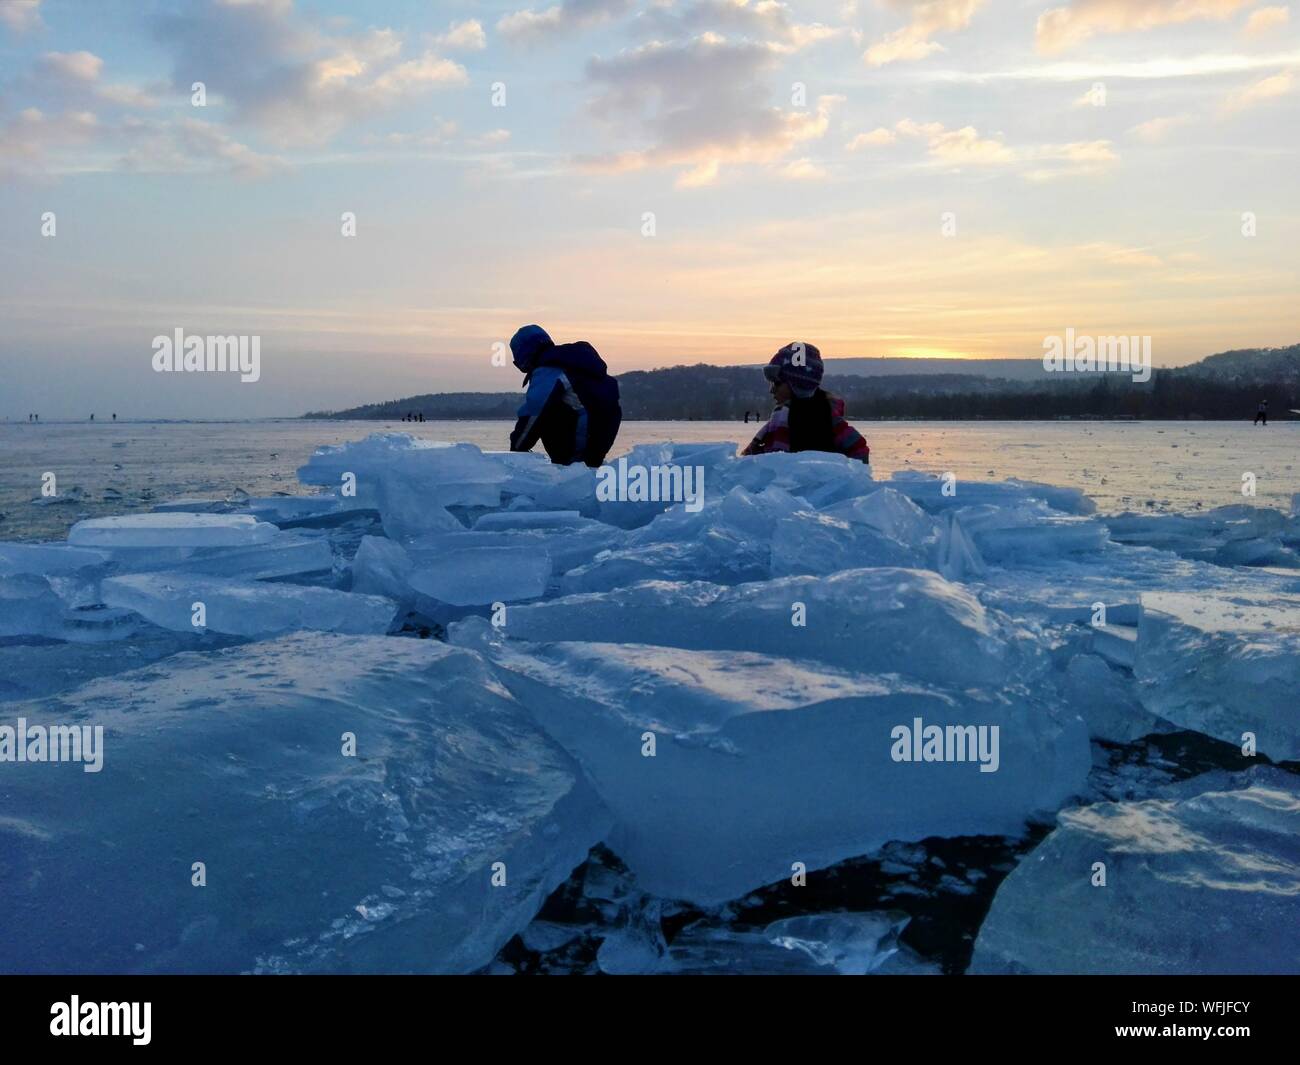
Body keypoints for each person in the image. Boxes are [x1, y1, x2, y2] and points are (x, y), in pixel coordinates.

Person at [508, 324, 621, 467]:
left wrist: (516, 449)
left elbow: (534, 414)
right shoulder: (575, 365)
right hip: (599, 439)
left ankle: (570, 469)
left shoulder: (548, 369)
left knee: (546, 411)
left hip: (577, 442)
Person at [742, 342, 869, 463]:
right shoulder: (779, 419)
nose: (772, 390)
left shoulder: (826, 419)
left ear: (797, 385)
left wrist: (843, 481)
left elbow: (859, 450)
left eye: (777, 383)